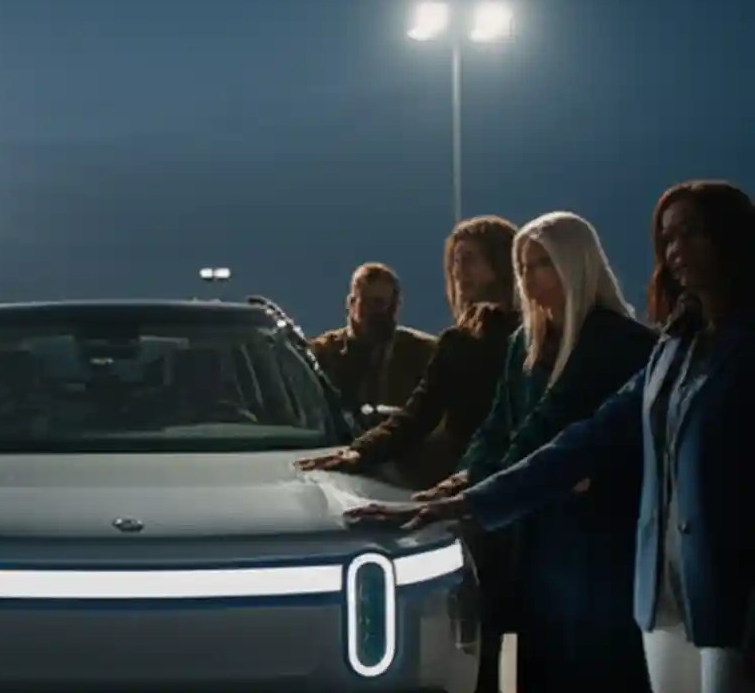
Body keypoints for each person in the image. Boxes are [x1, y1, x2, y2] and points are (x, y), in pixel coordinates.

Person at [347, 182, 755, 693]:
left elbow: (555, 429)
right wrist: (467, 492)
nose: (675, 251)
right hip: (659, 581)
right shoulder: (676, 344)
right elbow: (577, 436)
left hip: (699, 573)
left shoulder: (629, 340)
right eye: (666, 238)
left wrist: (469, 496)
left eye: (691, 232)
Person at [296, 215, 519, 693]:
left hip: (515, 487)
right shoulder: (459, 342)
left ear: (501, 263)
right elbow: (418, 415)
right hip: (473, 491)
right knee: (484, 628)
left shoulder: (532, 335)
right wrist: (356, 454)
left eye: (470, 260)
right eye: (454, 261)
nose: (459, 271)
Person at [309, 262, 437, 413]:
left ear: (396, 307)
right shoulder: (324, 353)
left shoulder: (423, 353)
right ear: (351, 304)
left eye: (380, 303)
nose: (373, 312)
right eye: (365, 303)